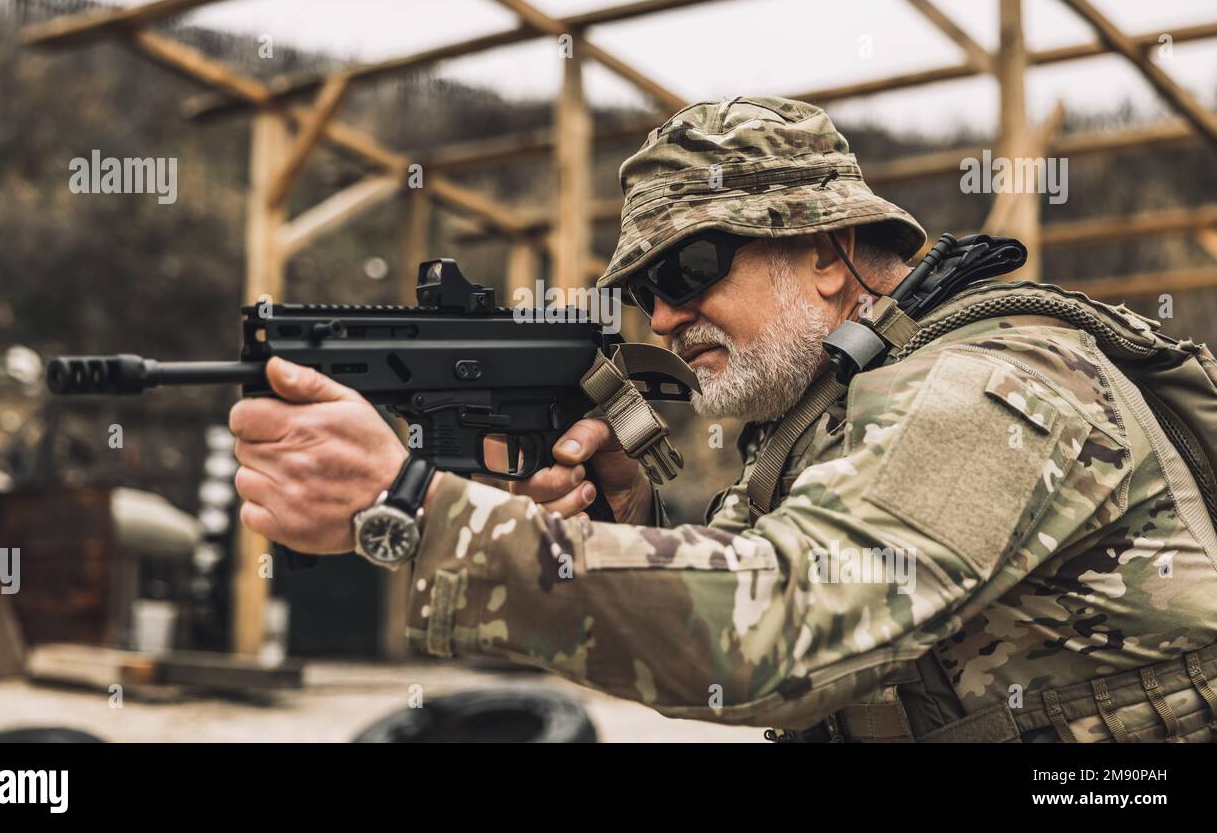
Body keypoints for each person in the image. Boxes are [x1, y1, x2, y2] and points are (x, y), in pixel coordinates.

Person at [229, 96, 1217, 742]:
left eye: (690, 269)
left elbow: (778, 634)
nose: (661, 314)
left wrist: (419, 507)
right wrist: (626, 529)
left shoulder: (984, 383)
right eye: (645, 289)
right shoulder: (838, 412)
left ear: (826, 255)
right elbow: (745, 587)